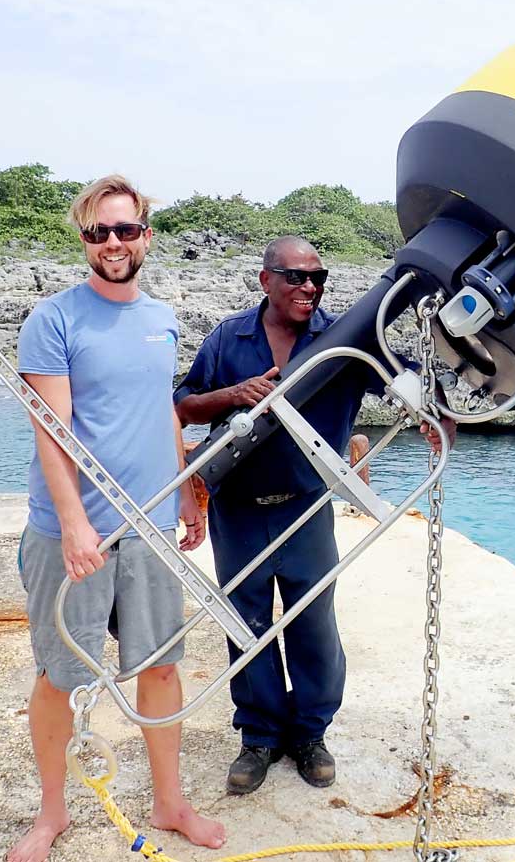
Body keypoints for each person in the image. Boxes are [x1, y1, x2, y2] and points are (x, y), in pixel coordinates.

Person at [174, 236, 453, 795]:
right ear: (265, 280)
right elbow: (182, 405)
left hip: (307, 509)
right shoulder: (230, 338)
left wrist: (435, 413)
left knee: (313, 625)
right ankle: (258, 737)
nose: (309, 287)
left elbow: (407, 384)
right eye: (296, 277)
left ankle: (309, 734)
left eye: (318, 278)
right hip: (239, 512)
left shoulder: (343, 341)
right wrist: (235, 393)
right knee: (246, 624)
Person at [8, 176, 226, 862]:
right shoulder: (54, 318)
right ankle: (51, 815)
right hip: (72, 530)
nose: (113, 243)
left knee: (160, 669)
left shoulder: (161, 317)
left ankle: (169, 802)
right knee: (62, 674)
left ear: (145, 237)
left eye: (125, 230)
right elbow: (51, 429)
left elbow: (161, 407)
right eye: (99, 232)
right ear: (84, 239)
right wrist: (74, 522)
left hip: (153, 525)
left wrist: (188, 491)